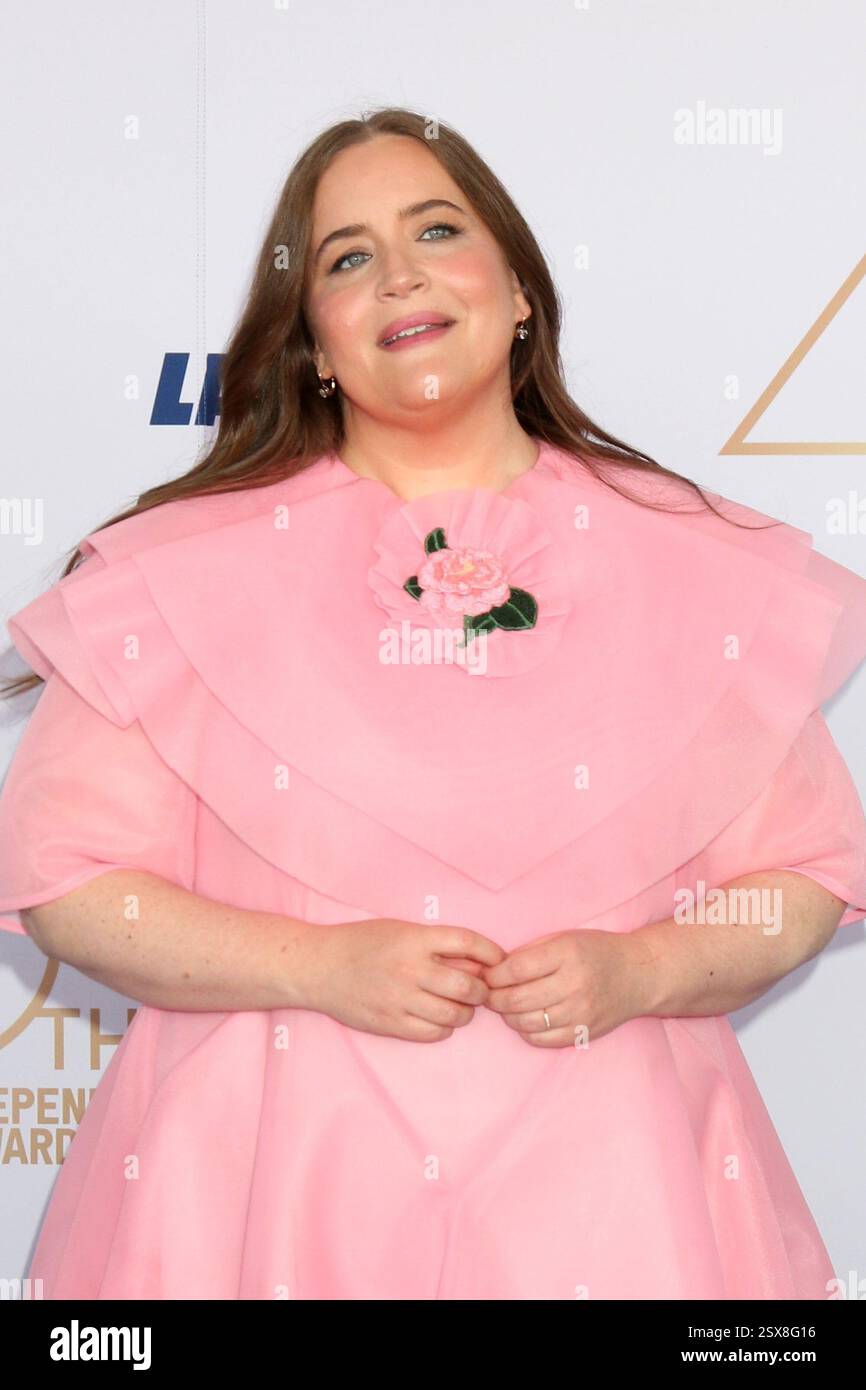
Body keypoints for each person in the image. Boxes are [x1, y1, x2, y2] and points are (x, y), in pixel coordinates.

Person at [1, 107, 865, 1301]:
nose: (397, 272)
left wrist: (642, 970)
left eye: (436, 229)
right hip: (261, 1186)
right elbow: (71, 887)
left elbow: (804, 875)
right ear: (312, 342)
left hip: (622, 1198)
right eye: (346, 257)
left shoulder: (694, 567)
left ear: (517, 288)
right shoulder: (172, 575)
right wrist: (317, 964)